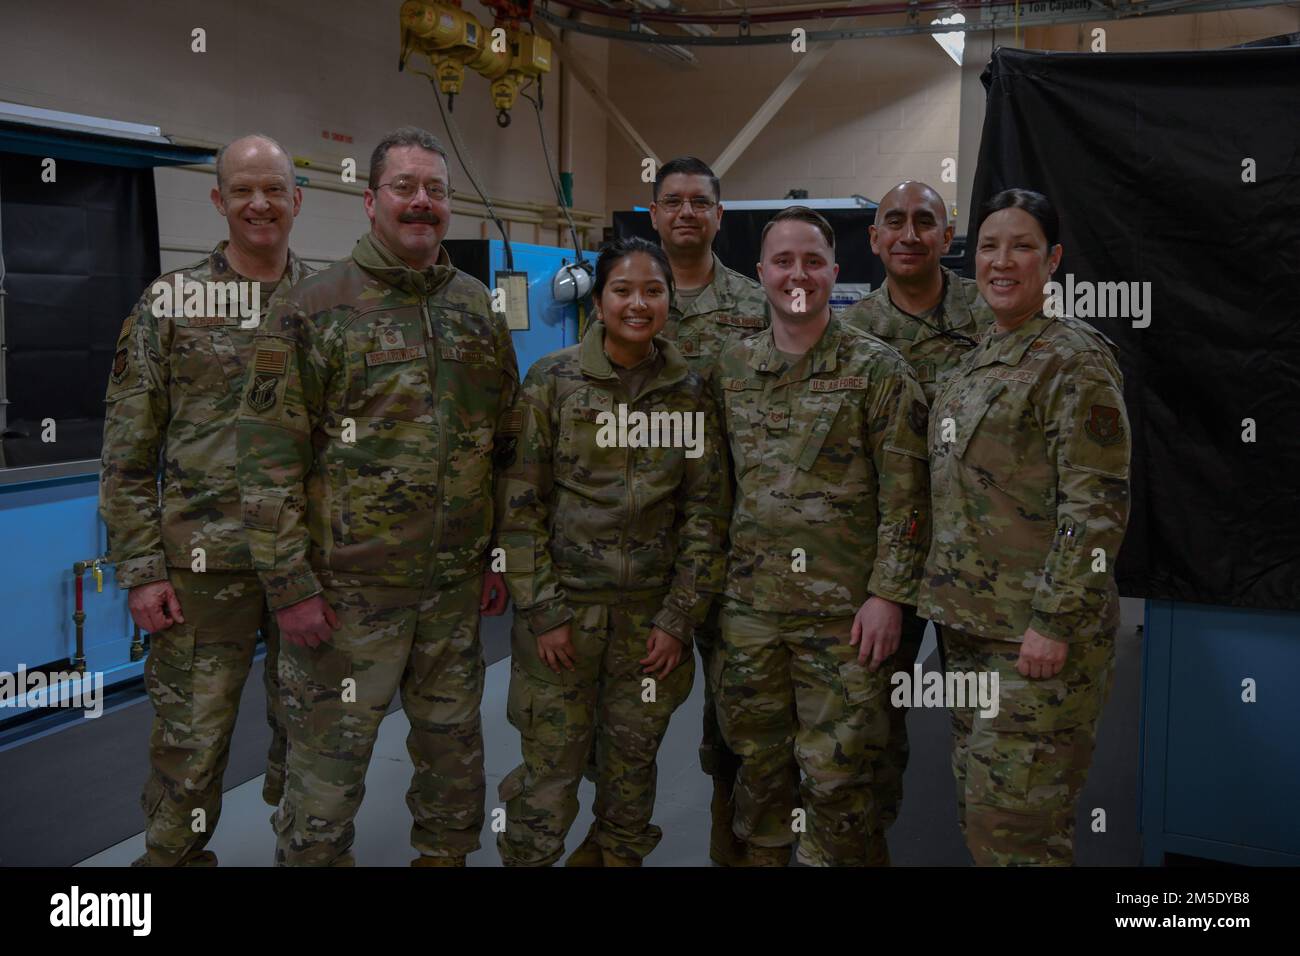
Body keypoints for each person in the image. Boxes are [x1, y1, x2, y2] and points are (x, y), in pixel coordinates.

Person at [236, 126, 519, 866]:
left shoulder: (476, 311)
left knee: (454, 773)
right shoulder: (312, 309)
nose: (421, 202)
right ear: (370, 200)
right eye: (405, 187)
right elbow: (267, 461)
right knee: (325, 790)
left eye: (435, 190)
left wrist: (499, 558)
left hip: (453, 599)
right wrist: (290, 585)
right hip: (344, 603)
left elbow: (510, 449)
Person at [99, 133, 312, 866]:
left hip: (308, 572)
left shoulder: (330, 305)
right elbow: (126, 452)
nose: (260, 204)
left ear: (297, 201)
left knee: (313, 753)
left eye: (274, 189)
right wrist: (140, 568)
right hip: (198, 570)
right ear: (219, 200)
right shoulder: (171, 303)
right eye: (243, 190)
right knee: (190, 750)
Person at [495, 237, 728, 867]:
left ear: (669, 303)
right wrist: (543, 612)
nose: (638, 303)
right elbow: (519, 508)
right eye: (622, 290)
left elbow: (706, 515)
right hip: (564, 621)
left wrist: (679, 619)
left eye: (653, 291)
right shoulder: (555, 380)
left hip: (651, 628)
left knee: (631, 771)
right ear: (598, 301)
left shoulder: (691, 392)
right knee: (550, 772)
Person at [712, 206, 930, 866]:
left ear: (836, 272)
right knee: (758, 771)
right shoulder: (731, 370)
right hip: (751, 614)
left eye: (812, 261)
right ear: (761, 275)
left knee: (839, 781)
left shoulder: (879, 373)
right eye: (783, 261)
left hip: (846, 620)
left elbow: (909, 500)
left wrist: (889, 596)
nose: (797, 274)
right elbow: (713, 494)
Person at [919, 188, 1130, 866]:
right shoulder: (976, 360)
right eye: (988, 246)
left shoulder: (1074, 361)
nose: (1002, 260)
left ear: (1053, 260)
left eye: (1022, 246)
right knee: (986, 815)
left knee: (1016, 828)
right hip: (971, 628)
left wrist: (1055, 621)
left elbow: (1095, 508)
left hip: (1034, 637)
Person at [840, 179, 991, 832]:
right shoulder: (847, 335)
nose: (909, 234)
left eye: (924, 221)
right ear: (874, 239)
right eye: (894, 221)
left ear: (947, 237)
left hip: (976, 566)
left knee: (985, 742)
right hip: (880, 569)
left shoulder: (992, 318)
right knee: (862, 736)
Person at [648, 156, 770, 865]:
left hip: (737, 550)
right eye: (673, 202)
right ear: (656, 214)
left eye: (701, 202)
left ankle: (733, 850)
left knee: (738, 725)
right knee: (626, 721)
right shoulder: (629, 294)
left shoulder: (756, 307)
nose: (687, 213)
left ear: (719, 216)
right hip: (643, 547)